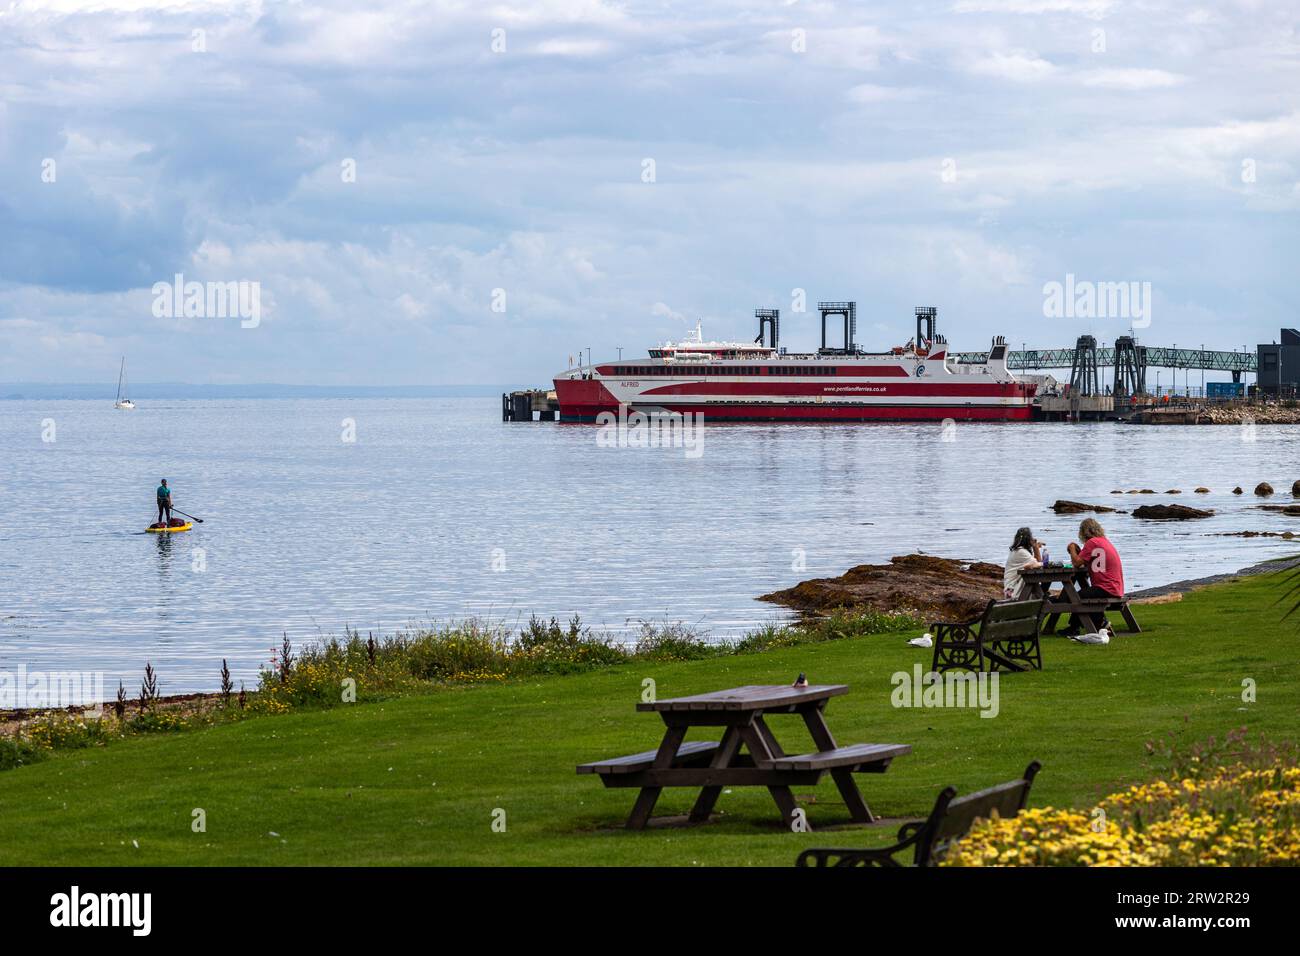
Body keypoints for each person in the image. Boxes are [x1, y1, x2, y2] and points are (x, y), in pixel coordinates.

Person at [1065, 517, 1124, 634]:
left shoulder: (1092, 542)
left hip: (1106, 588)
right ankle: (1090, 624)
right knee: (1084, 594)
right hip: (1115, 587)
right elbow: (1087, 562)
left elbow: (1077, 562)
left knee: (1078, 596)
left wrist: (1072, 548)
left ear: (1083, 532)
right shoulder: (1104, 541)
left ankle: (1078, 627)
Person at [1003, 526, 1043, 599]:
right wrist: (1036, 548)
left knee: (1032, 577)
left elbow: (1036, 563)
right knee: (1032, 577)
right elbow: (1038, 564)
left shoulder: (1018, 550)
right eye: (1031, 537)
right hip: (1014, 591)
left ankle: (1042, 599)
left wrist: (1035, 548)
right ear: (1028, 539)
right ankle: (1043, 600)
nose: (1033, 539)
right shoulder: (1021, 552)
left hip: (1012, 588)